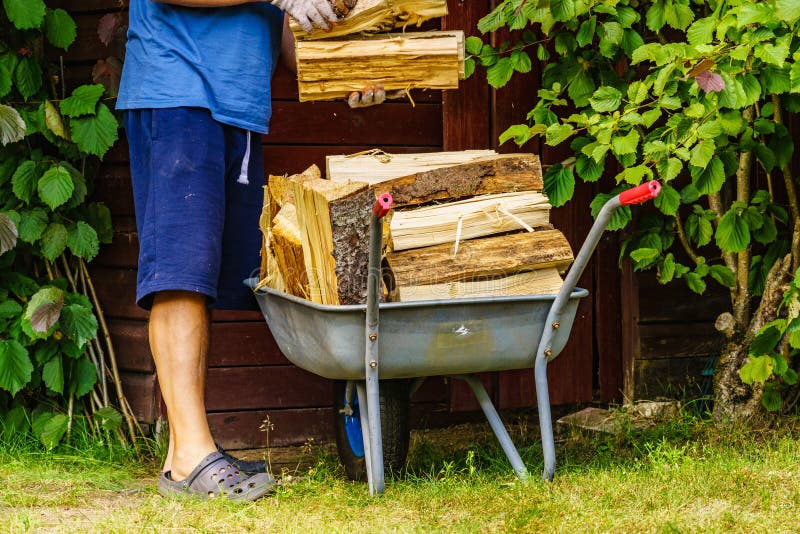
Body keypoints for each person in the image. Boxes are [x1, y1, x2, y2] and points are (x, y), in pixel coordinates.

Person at [116, 0, 384, 501]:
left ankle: (183, 459)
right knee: (180, 272)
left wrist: (348, 73)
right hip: (177, 91)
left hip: (237, 107)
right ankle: (195, 455)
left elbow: (287, 32)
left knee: (203, 278)